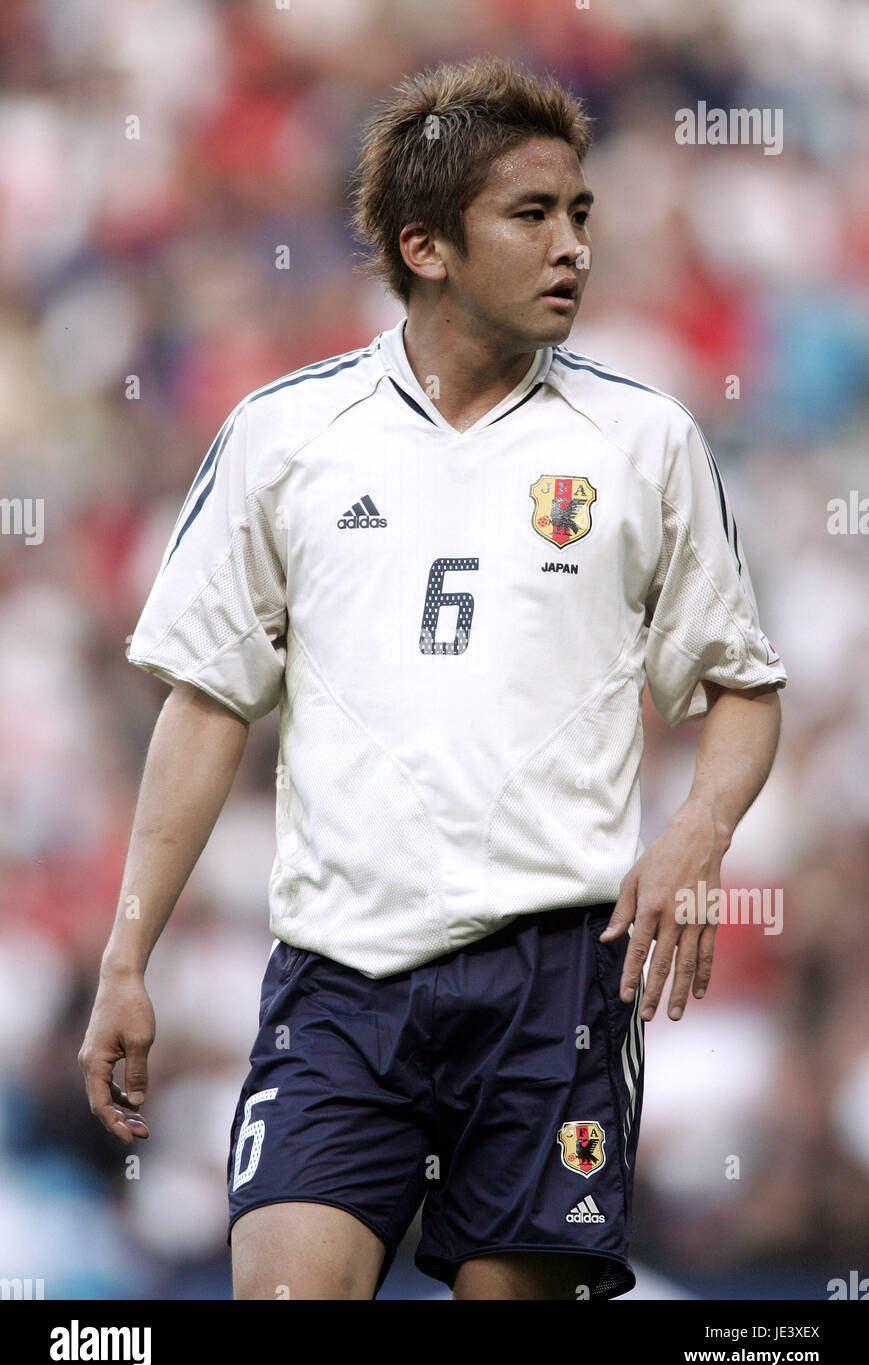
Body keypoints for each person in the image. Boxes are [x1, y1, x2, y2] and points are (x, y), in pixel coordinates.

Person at [79, 55, 786, 1301]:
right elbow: (205, 703)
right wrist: (126, 953)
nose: (571, 244)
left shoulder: (641, 441)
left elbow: (741, 682)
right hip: (340, 980)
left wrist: (698, 829)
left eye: (579, 215)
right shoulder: (284, 436)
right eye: (531, 215)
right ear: (427, 247)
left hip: (555, 977)